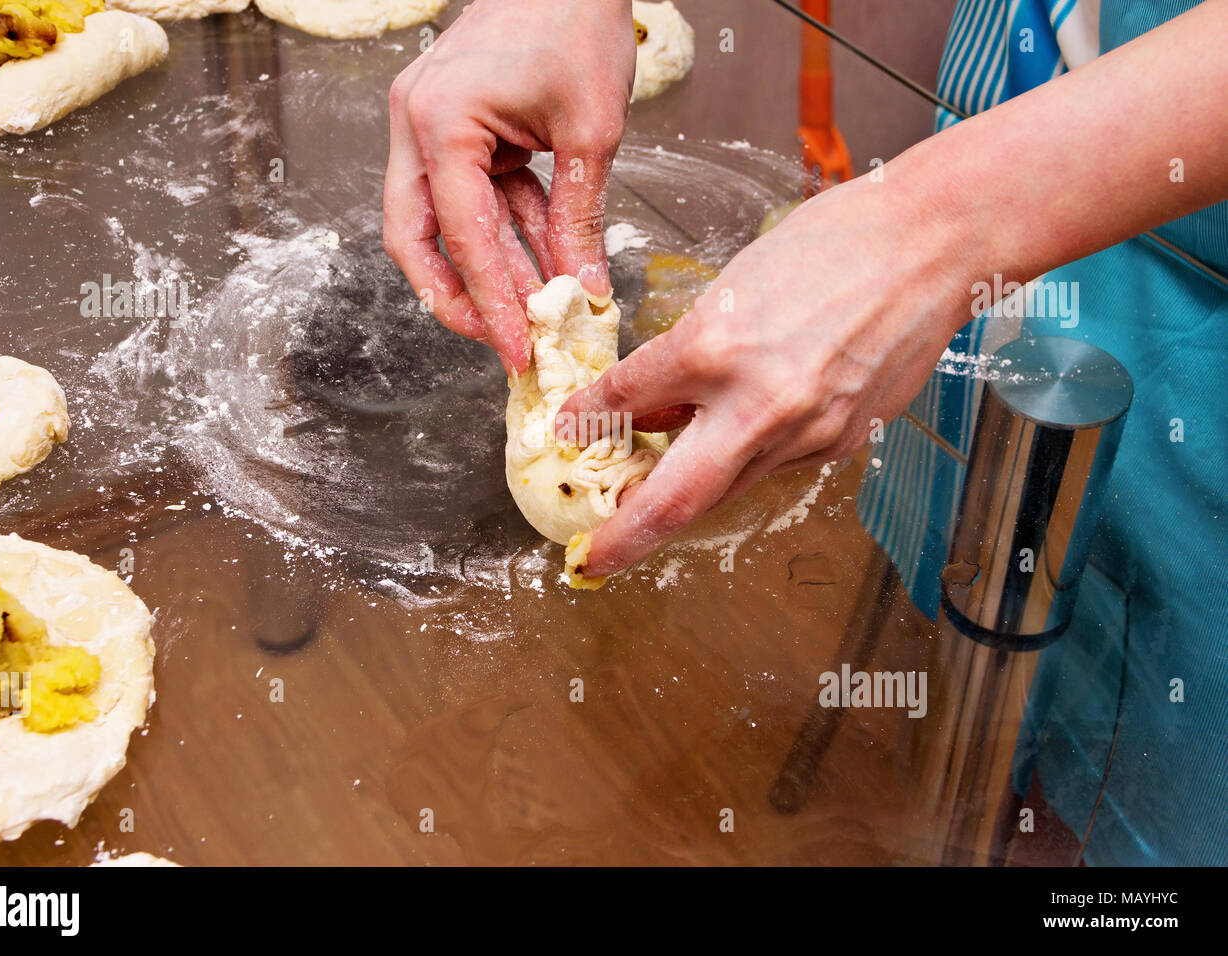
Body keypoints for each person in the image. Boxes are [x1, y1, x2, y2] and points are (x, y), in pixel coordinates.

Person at [383, 0, 1228, 865]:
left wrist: (937, 229)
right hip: (1031, 102)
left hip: (1193, 297)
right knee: (965, 691)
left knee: (1138, 789)